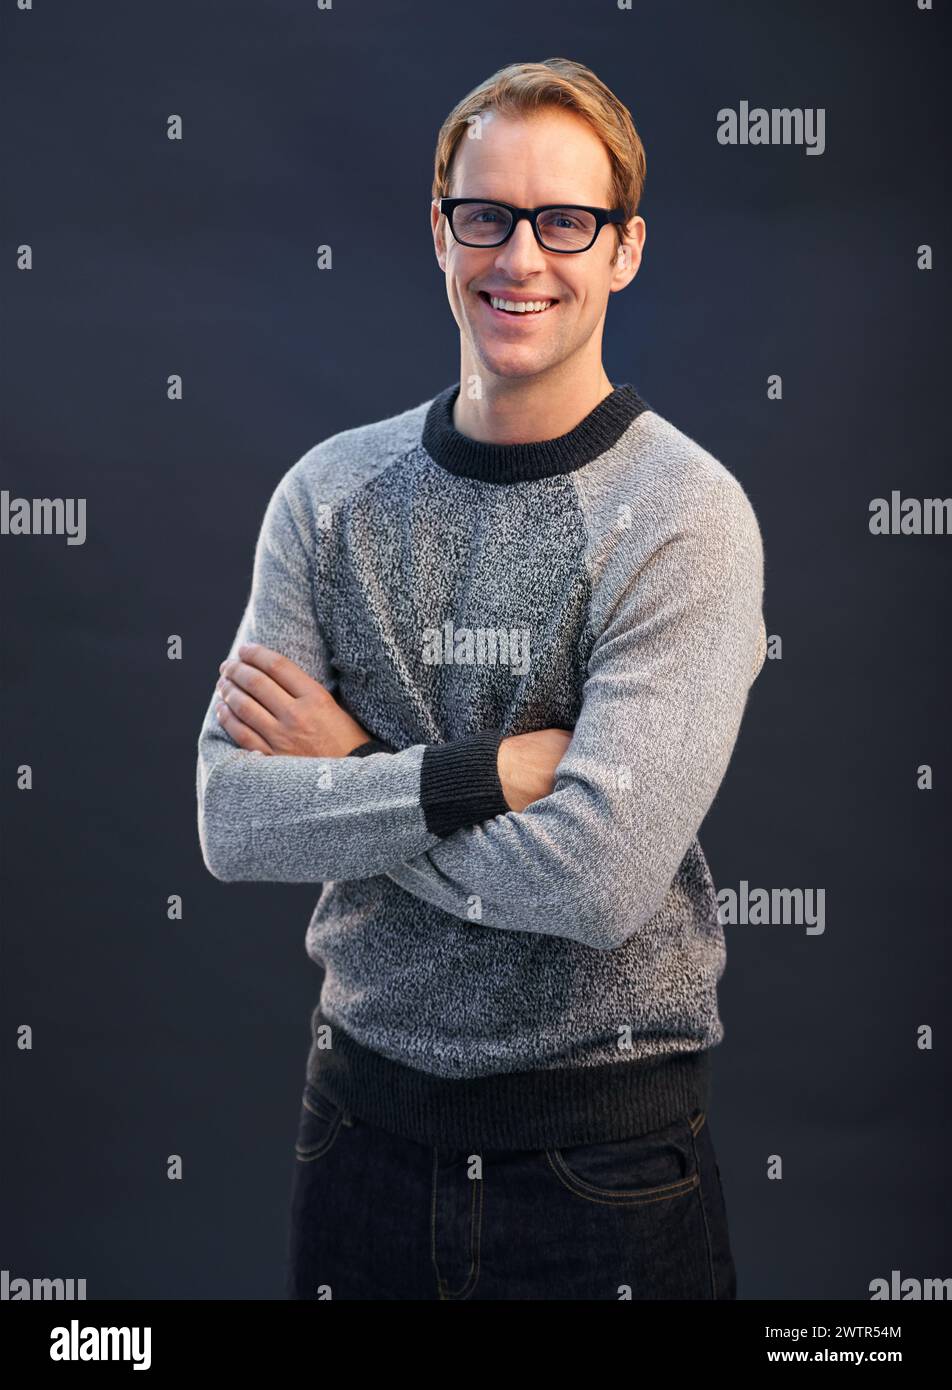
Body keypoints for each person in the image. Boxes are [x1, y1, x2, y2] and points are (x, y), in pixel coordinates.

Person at [196, 56, 767, 1300]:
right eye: (486, 216)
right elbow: (232, 820)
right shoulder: (330, 493)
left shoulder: (684, 518)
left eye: (566, 220)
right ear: (439, 230)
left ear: (623, 250)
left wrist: (350, 771)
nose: (522, 258)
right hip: (358, 1139)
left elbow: (597, 881)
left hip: (606, 1168)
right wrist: (479, 777)